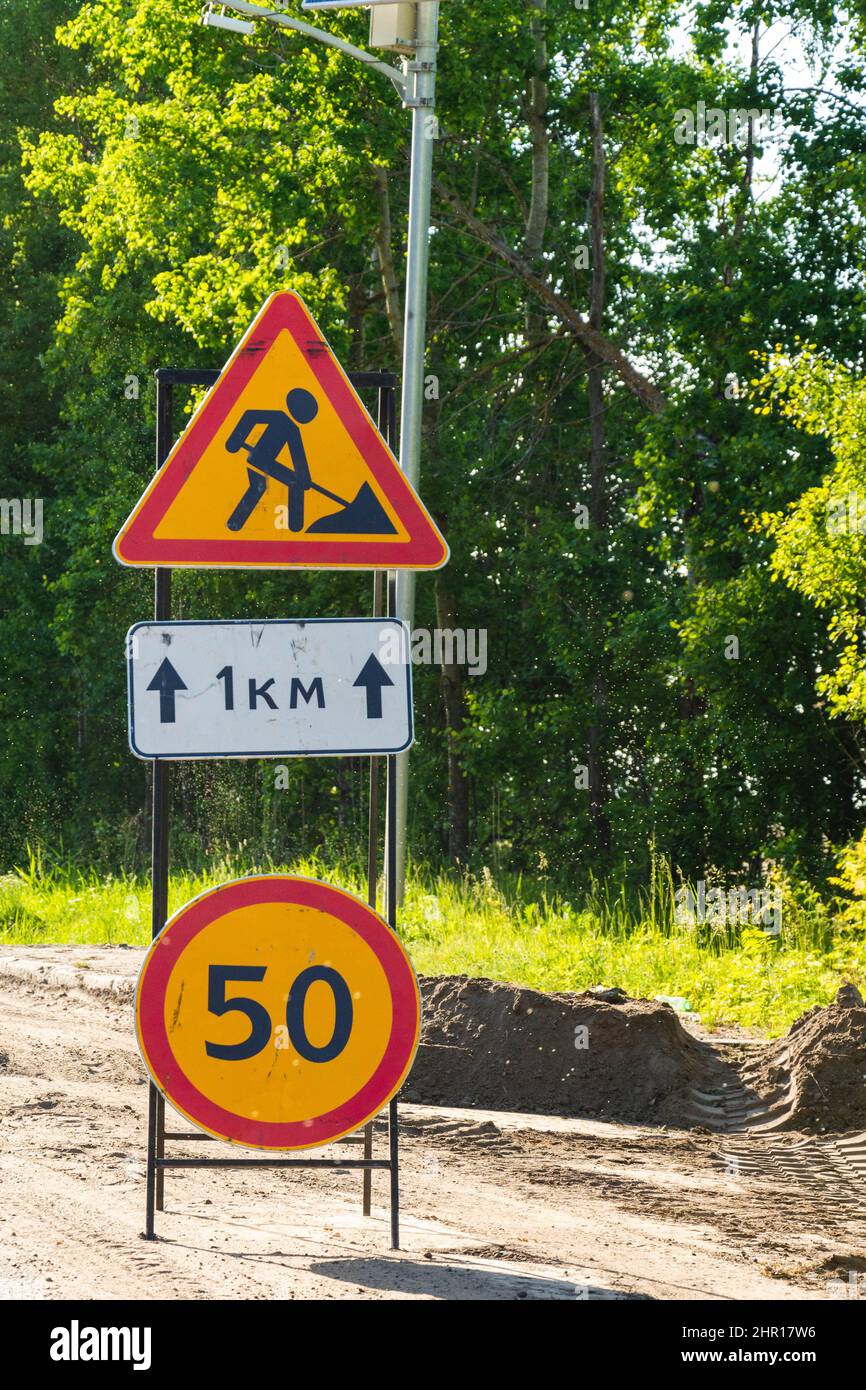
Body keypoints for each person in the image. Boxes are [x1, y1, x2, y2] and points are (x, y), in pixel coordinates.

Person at [225, 388, 318, 533]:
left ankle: (235, 523)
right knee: (263, 486)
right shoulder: (282, 420)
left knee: (265, 486)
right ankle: (295, 525)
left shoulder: (290, 427)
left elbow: (298, 457)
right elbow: (250, 416)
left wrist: (304, 479)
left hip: (263, 461)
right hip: (258, 459)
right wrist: (234, 441)